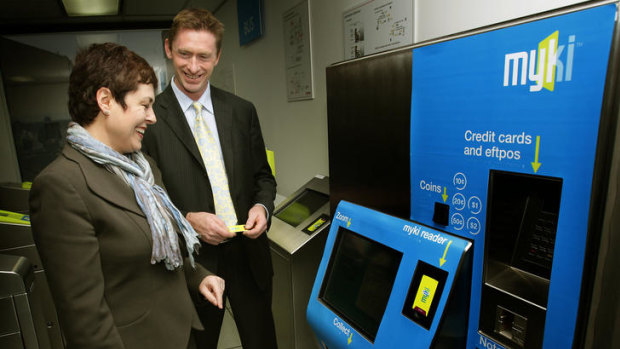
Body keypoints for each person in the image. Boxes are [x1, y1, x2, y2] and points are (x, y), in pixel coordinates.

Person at [29, 42, 225, 349]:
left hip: (179, 330)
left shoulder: (143, 168)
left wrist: (196, 275)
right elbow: (85, 319)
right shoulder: (61, 186)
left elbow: (162, 241)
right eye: (144, 105)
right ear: (106, 100)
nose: (153, 117)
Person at [142, 8, 278, 349]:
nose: (193, 66)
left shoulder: (242, 110)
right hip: (193, 263)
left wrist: (262, 207)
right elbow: (144, 197)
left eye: (204, 56)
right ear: (168, 48)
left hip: (249, 256)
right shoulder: (150, 119)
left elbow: (263, 176)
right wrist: (187, 221)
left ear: (217, 56)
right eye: (185, 53)